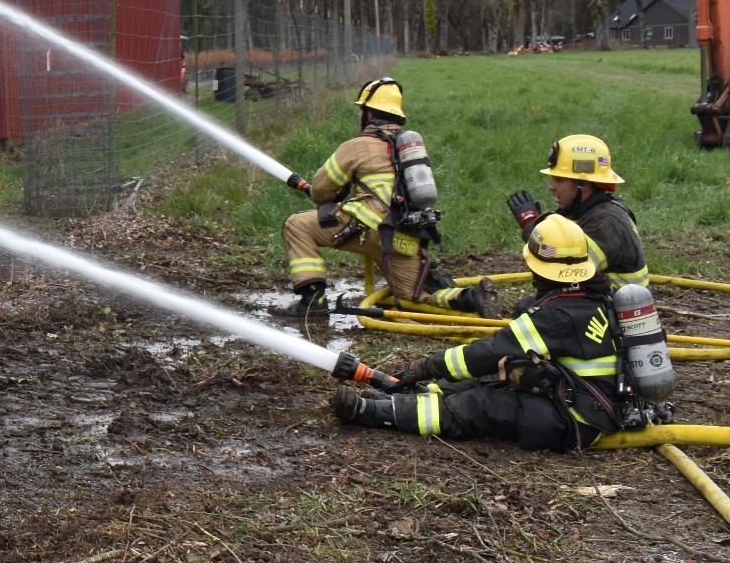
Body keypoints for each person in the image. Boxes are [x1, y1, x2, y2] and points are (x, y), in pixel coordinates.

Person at [332, 214, 623, 450]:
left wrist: (427, 366)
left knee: (477, 404)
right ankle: (409, 395)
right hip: (580, 402)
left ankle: (377, 414)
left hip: (576, 421)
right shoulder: (590, 297)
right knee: (492, 378)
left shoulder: (557, 316)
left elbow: (491, 351)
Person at [274, 77, 490, 318]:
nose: (358, 115)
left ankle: (313, 299)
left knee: (297, 225)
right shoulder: (407, 148)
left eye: (361, 110)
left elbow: (321, 191)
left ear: (368, 114)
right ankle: (468, 297)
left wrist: (333, 195)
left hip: (368, 229)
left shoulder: (357, 146)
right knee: (413, 295)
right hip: (406, 237)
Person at [506, 134, 648, 288]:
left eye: (559, 180)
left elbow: (565, 271)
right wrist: (537, 227)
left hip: (611, 308)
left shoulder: (605, 222)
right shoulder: (582, 211)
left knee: (530, 308)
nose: (551, 187)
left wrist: (531, 227)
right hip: (598, 301)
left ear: (584, 184)